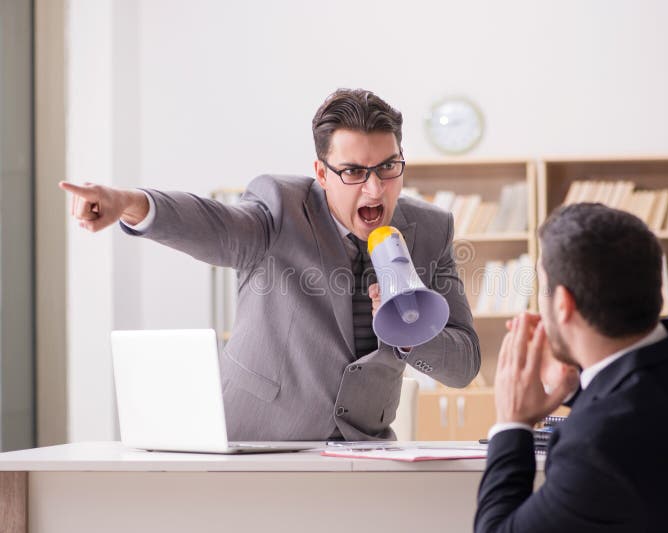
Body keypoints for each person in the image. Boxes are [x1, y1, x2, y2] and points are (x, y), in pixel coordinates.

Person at [60, 88, 480, 441]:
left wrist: (409, 333)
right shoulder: (280, 208)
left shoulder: (429, 230)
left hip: (363, 452)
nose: (375, 189)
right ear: (321, 172)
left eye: (388, 167)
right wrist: (131, 204)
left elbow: (463, 365)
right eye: (353, 171)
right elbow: (215, 225)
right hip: (254, 444)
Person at [475, 203, 668, 533]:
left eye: (543, 289)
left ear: (563, 304)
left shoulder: (595, 449)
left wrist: (512, 422)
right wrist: (575, 387)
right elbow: (653, 380)